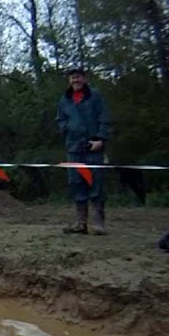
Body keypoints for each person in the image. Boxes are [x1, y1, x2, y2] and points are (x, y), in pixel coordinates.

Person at [56, 66, 113, 235]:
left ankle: (98, 223)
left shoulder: (95, 95)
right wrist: (66, 128)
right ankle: (81, 223)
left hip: (93, 147)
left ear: (84, 78)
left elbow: (105, 118)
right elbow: (60, 119)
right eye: (73, 77)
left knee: (96, 183)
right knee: (76, 183)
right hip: (73, 148)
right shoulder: (64, 100)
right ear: (69, 80)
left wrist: (101, 139)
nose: (76, 80)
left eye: (78, 77)